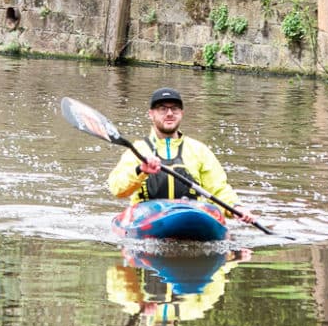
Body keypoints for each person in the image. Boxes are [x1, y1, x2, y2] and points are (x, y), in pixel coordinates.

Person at [106, 88, 258, 226]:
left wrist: (236, 208)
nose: (169, 113)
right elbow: (117, 188)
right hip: (148, 218)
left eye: (175, 108)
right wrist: (141, 170)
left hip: (191, 216)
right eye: (162, 109)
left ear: (181, 113)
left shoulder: (199, 150)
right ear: (151, 114)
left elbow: (219, 189)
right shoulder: (138, 150)